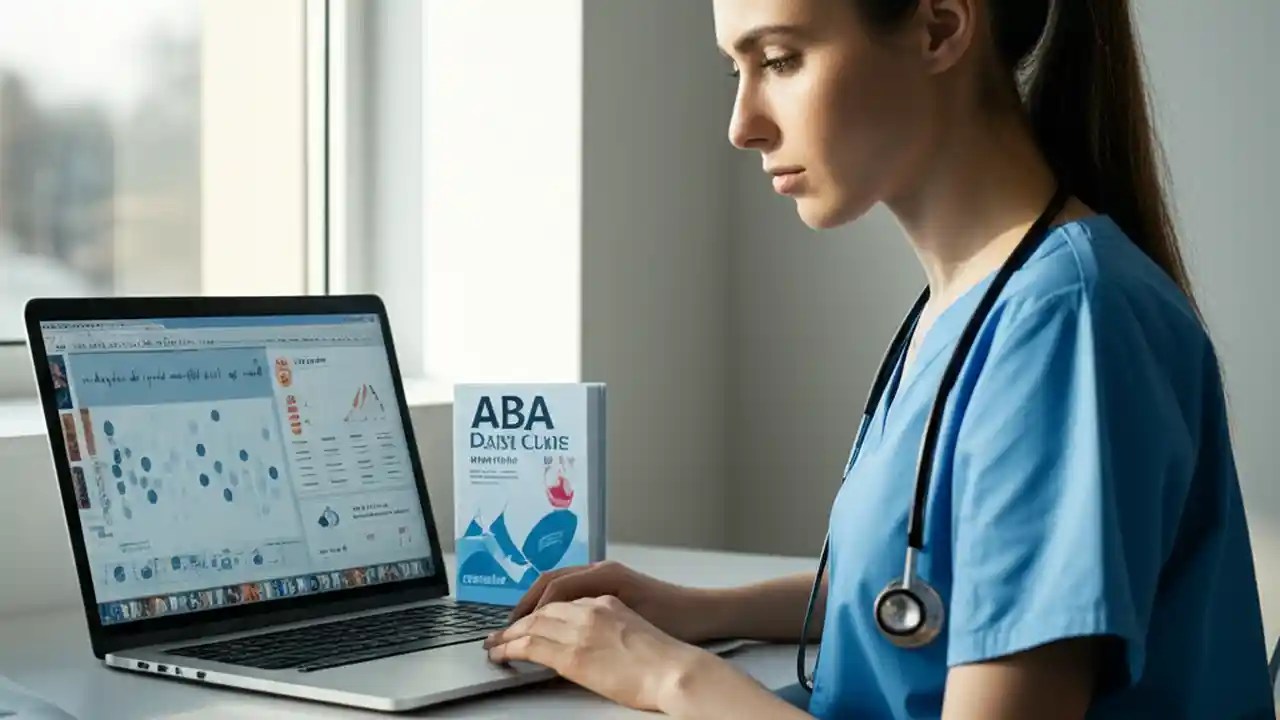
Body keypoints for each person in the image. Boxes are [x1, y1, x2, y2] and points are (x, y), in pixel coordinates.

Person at [481, 0, 1274, 717]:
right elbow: (926, 589)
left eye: (781, 60)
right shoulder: (970, 304)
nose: (742, 123)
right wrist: (696, 609)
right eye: (737, 68)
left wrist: (671, 679)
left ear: (939, 25)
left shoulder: (1068, 324)